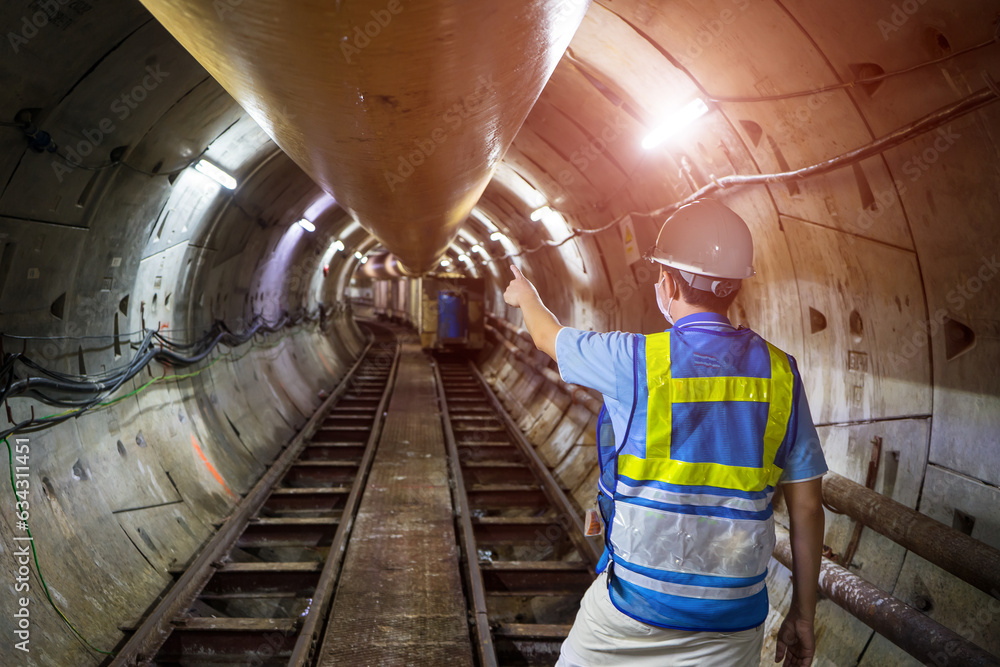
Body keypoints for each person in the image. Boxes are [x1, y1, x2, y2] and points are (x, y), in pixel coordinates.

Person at [502, 199, 827, 667]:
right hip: (733, 623)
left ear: (669, 282)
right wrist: (801, 613)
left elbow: (547, 338)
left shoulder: (633, 359)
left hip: (636, 609)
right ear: (734, 287)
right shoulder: (782, 374)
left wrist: (526, 295)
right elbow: (808, 508)